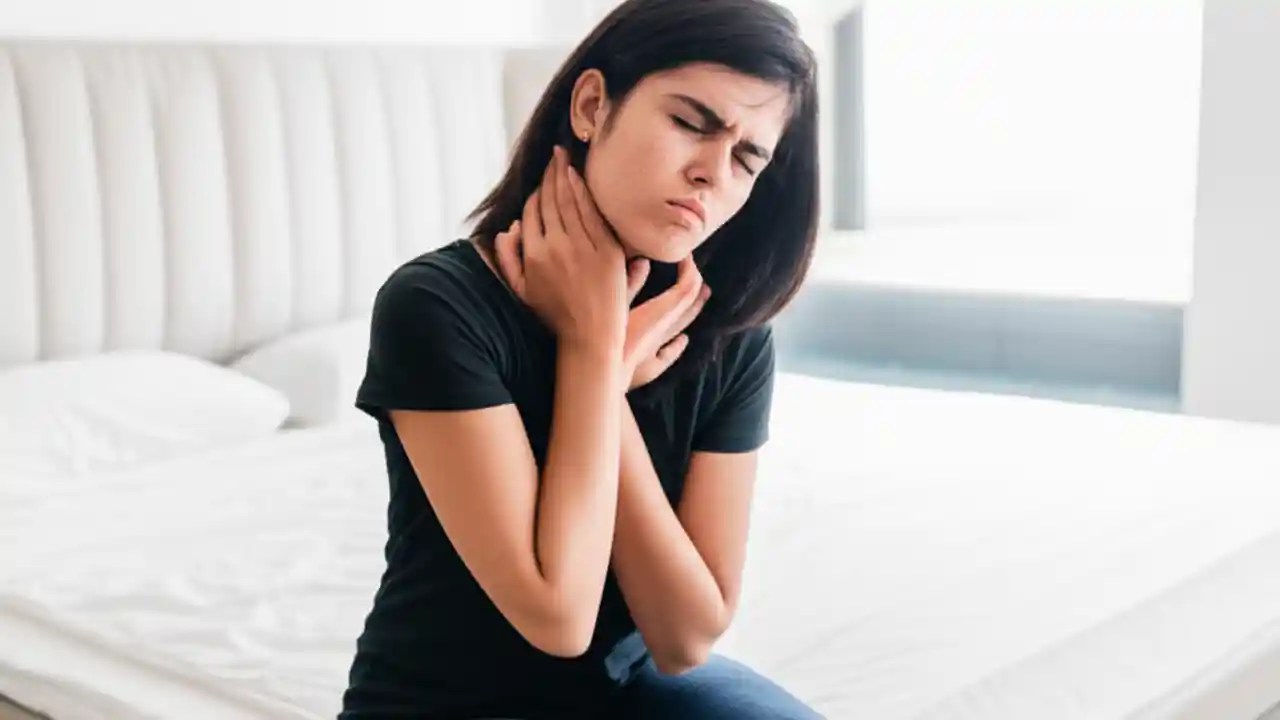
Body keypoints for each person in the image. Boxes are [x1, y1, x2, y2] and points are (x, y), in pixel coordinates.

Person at [340, 0, 821, 717]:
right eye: (691, 123)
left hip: (630, 692)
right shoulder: (436, 306)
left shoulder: (729, 333)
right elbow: (558, 616)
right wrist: (594, 355)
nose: (711, 173)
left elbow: (685, 637)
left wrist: (602, 375)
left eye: (747, 158)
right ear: (592, 105)